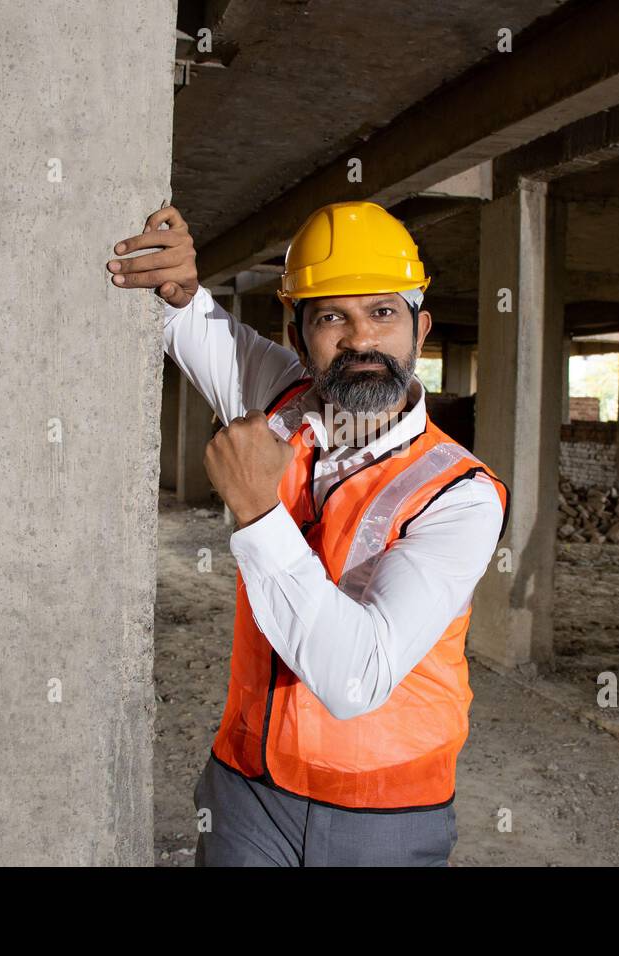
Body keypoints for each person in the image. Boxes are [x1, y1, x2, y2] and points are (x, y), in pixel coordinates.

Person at [108, 200, 508, 866]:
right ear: (299, 338)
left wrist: (260, 514)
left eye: (383, 313)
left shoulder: (460, 495)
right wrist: (175, 284)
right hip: (245, 790)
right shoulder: (282, 395)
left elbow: (356, 681)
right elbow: (191, 321)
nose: (360, 340)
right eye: (332, 317)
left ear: (421, 328)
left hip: (382, 816)